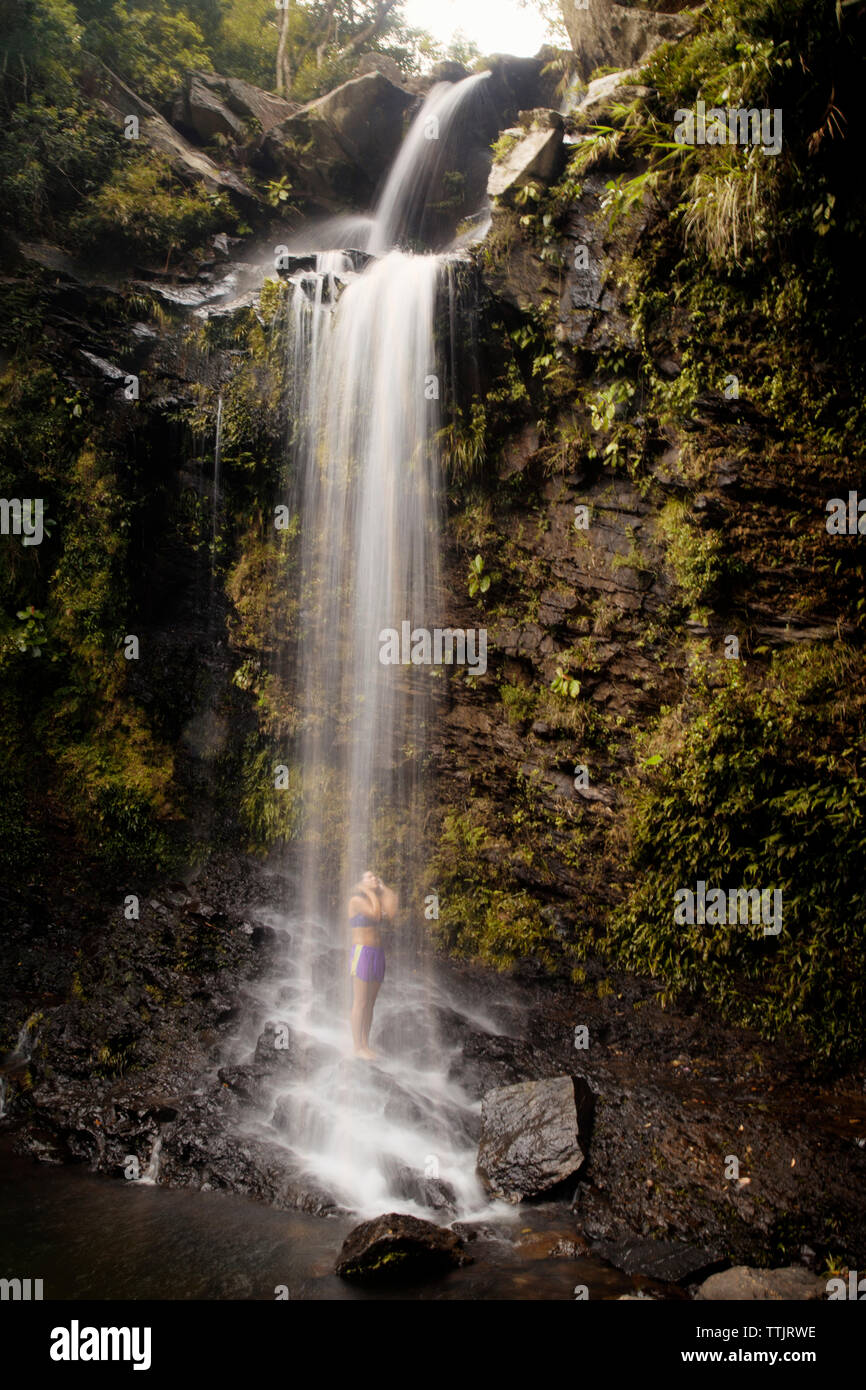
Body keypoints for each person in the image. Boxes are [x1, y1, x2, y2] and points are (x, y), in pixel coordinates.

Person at [348, 870, 397, 1059]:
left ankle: (365, 1044)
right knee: (360, 1001)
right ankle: (357, 1047)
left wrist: (383, 888)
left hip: (377, 953)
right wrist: (368, 891)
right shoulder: (356, 900)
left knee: (370, 1003)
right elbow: (376, 916)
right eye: (369, 877)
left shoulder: (375, 898)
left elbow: (391, 912)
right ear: (359, 883)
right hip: (362, 952)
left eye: (376, 876)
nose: (374, 878)